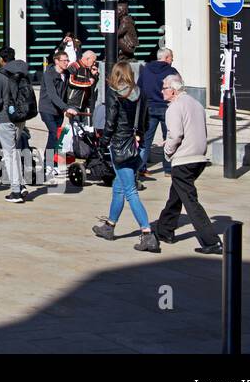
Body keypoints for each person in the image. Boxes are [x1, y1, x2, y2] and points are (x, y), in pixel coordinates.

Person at [91, 61, 158, 252]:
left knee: (130, 190)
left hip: (120, 146)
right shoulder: (141, 94)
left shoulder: (115, 94)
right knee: (118, 187)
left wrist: (103, 143)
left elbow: (111, 122)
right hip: (138, 145)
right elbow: (146, 120)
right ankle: (109, 226)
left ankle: (147, 234)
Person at [153, 75, 223, 253]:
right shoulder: (196, 104)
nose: (162, 91)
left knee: (190, 201)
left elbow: (176, 134)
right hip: (198, 157)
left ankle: (211, 241)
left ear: (173, 91)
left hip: (185, 159)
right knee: (176, 195)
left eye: (164, 88)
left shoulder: (174, 107)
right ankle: (164, 231)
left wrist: (167, 150)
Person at [0, 48, 37, 203]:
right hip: (21, 117)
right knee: (15, 152)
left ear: (2, 59)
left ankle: (16, 191)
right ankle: (21, 185)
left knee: (10, 155)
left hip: (5, 118)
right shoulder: (22, 71)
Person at [137, 47, 181, 178]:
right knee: (168, 138)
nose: (172, 60)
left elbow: (139, 88)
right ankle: (168, 169)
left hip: (149, 107)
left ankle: (141, 167)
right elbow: (179, 88)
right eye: (171, 57)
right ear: (166, 58)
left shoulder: (146, 70)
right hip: (167, 108)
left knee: (146, 139)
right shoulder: (171, 71)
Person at [39, 50, 70, 180]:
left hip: (59, 111)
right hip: (47, 109)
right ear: (57, 61)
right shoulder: (49, 74)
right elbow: (52, 94)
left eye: (67, 60)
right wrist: (65, 107)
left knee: (54, 137)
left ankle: (50, 163)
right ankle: (49, 165)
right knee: (54, 134)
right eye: (64, 60)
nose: (67, 63)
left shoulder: (66, 74)